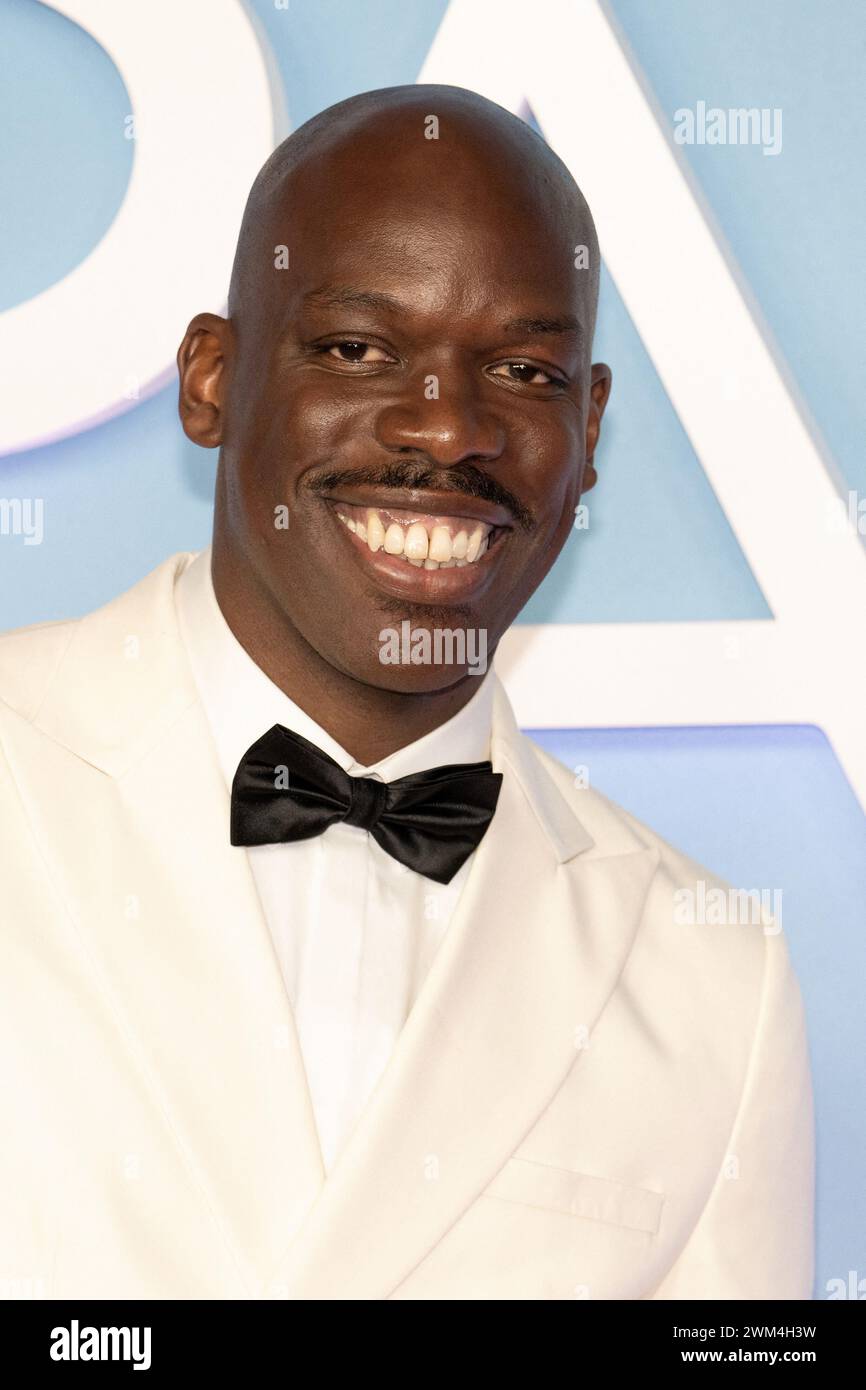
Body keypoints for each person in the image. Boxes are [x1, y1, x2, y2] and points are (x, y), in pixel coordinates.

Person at [0, 85, 813, 1300]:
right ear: (210, 380)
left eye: (524, 370)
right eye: (357, 348)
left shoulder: (714, 985)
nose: (447, 430)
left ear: (588, 432)